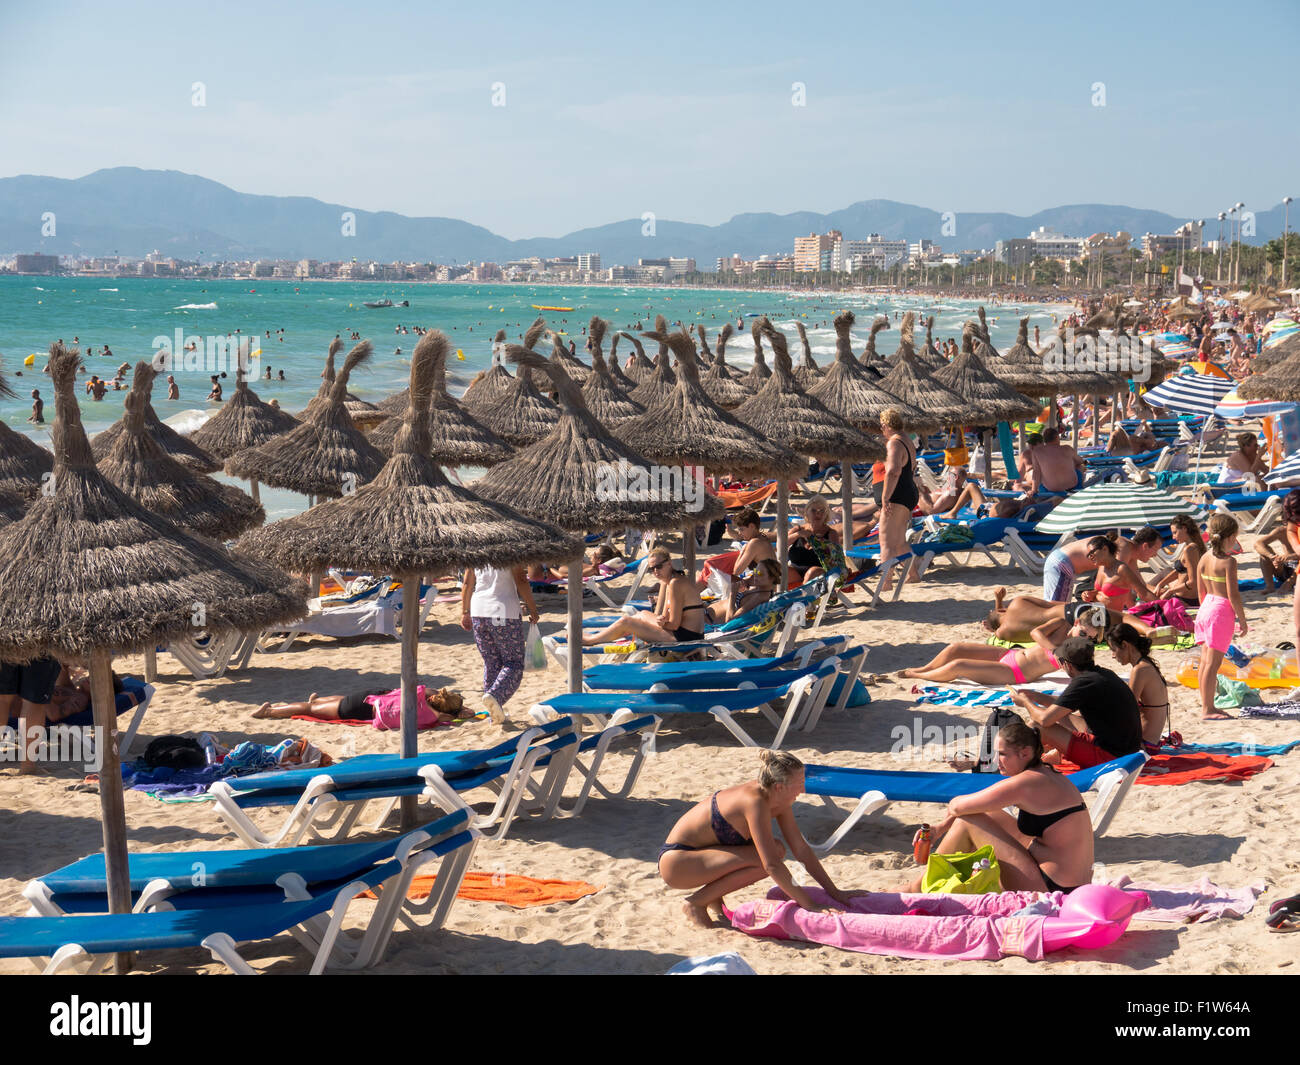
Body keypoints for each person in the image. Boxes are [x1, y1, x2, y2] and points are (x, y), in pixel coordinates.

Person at [659, 750, 853, 927]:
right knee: (768, 858)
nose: (803, 790)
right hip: (677, 863)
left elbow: (800, 848)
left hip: (702, 858)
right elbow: (772, 865)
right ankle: (695, 903)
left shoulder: (778, 799)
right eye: (799, 784)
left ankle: (711, 898)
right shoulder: (754, 802)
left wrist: (834, 892)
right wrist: (809, 904)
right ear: (779, 787)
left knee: (776, 850)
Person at [904, 720, 1094, 895]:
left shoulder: (1024, 784)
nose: (996, 761)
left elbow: (957, 804)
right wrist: (940, 828)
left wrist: (944, 825)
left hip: (1052, 888)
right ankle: (947, 880)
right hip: (1070, 881)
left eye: (1002, 754)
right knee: (983, 813)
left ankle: (916, 888)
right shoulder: (1048, 774)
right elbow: (974, 807)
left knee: (967, 820)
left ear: (1025, 753)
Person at [1011, 637, 1143, 768]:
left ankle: (1017, 764)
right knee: (1060, 714)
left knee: (1037, 727)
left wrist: (1025, 702)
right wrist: (1037, 697)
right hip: (1129, 750)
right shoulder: (1102, 674)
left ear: (1068, 665)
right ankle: (1050, 754)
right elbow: (1064, 705)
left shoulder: (1083, 682)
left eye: (1061, 662)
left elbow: (1044, 720)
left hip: (1111, 757)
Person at [899, 609, 1101, 685]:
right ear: (1076, 623)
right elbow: (1035, 633)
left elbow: (1079, 674)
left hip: (1014, 672)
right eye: (1083, 633)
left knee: (958, 665)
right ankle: (924, 669)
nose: (1084, 640)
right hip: (1009, 654)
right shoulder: (1061, 624)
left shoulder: (1078, 651)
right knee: (955, 648)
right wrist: (1055, 650)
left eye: (1090, 638)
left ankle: (917, 676)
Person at [460, 565, 539, 723]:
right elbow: (521, 580)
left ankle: (494, 713)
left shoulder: (474, 548)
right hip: (503, 609)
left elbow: (467, 583)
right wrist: (533, 609)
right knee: (514, 663)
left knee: (491, 662)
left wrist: (465, 611)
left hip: (478, 610)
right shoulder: (509, 546)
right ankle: (495, 697)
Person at [582, 547, 707, 646]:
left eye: (659, 566)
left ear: (669, 563)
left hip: (686, 638)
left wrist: (661, 623)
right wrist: (660, 621)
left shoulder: (676, 583)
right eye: (652, 569)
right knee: (642, 614)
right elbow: (663, 616)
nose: (656, 571)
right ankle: (608, 634)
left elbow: (673, 624)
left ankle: (592, 640)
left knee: (626, 621)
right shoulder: (670, 580)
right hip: (685, 632)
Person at [1194, 513, 1248, 721]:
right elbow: (1233, 595)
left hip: (1206, 608)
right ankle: (1208, 709)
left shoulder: (1204, 558)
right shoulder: (1229, 562)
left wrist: (1205, 611)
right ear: (1231, 537)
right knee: (1212, 664)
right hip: (1221, 611)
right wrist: (1242, 620)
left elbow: (1200, 592)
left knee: (1205, 661)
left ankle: (1206, 703)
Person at [1040, 528, 1160, 604]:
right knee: (1056, 607)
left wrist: (1161, 594)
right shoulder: (1124, 547)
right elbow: (1119, 580)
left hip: (1064, 563)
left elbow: (1140, 584)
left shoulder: (1130, 553)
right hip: (1062, 563)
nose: (1155, 555)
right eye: (1156, 549)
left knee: (1059, 608)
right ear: (1145, 546)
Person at [253, 685, 462, 727]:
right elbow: (451, 718)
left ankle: (316, 700)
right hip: (365, 710)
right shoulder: (433, 716)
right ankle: (270, 711)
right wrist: (459, 712)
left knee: (342, 700)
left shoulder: (420, 692)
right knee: (313, 710)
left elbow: (434, 692)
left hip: (376, 695)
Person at [1106, 623, 1169, 755]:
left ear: (1125, 645)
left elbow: (1127, 710)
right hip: (1152, 743)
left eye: (1113, 649)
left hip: (1144, 745)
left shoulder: (1140, 670)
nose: (1112, 655)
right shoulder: (1147, 664)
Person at [0, 656, 64, 773]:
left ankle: (28, 766)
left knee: (2, 697)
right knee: (34, 701)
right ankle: (28, 766)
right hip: (42, 643)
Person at [878, 408, 917, 592]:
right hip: (908, 491)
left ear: (886, 425)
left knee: (886, 541)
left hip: (898, 493)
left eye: (882, 426)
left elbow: (893, 471)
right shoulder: (907, 440)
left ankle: (886, 583)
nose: (881, 430)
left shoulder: (894, 443)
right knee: (900, 540)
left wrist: (885, 497)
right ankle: (913, 574)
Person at [697, 506, 776, 598]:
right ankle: (693, 595)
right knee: (709, 570)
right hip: (767, 582)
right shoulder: (763, 537)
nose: (739, 533)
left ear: (752, 526)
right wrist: (748, 579)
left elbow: (737, 571)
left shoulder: (754, 543)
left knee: (711, 569)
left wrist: (743, 550)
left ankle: (691, 596)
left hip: (764, 588)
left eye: (741, 529)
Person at [787, 497, 850, 591]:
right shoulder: (798, 530)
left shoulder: (831, 534)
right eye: (813, 510)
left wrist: (820, 543)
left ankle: (801, 599)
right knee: (776, 570)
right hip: (797, 572)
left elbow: (836, 558)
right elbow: (780, 546)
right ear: (806, 513)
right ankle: (772, 602)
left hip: (821, 573)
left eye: (822, 511)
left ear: (826, 514)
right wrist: (798, 535)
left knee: (813, 571)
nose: (818, 513)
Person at [1080, 533, 1154, 612]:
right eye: (1088, 555)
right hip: (1097, 615)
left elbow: (1144, 593)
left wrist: (1164, 606)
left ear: (1105, 549)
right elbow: (1099, 591)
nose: (1090, 557)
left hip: (1113, 618)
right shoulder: (1101, 567)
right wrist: (1089, 594)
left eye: (1092, 552)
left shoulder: (1121, 569)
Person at [1150, 513, 1204, 604]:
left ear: (1184, 528)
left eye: (1175, 532)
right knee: (1151, 585)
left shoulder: (1190, 550)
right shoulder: (1193, 546)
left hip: (1185, 600)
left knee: (1145, 588)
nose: (1173, 537)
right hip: (1183, 595)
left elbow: (1193, 582)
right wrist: (1161, 584)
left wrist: (1170, 591)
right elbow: (1179, 570)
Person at [707, 558, 780, 624]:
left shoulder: (760, 597)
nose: (755, 575)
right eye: (755, 571)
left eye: (760, 573)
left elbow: (730, 620)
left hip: (708, 620)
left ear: (772, 578)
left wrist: (733, 594)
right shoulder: (758, 588)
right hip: (706, 613)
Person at [1256, 491, 1300, 592]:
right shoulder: (1282, 531)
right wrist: (1273, 557)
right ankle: (1269, 586)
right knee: (1264, 555)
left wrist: (1290, 556)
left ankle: (1289, 583)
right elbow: (1258, 544)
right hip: (1285, 568)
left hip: (1297, 568)